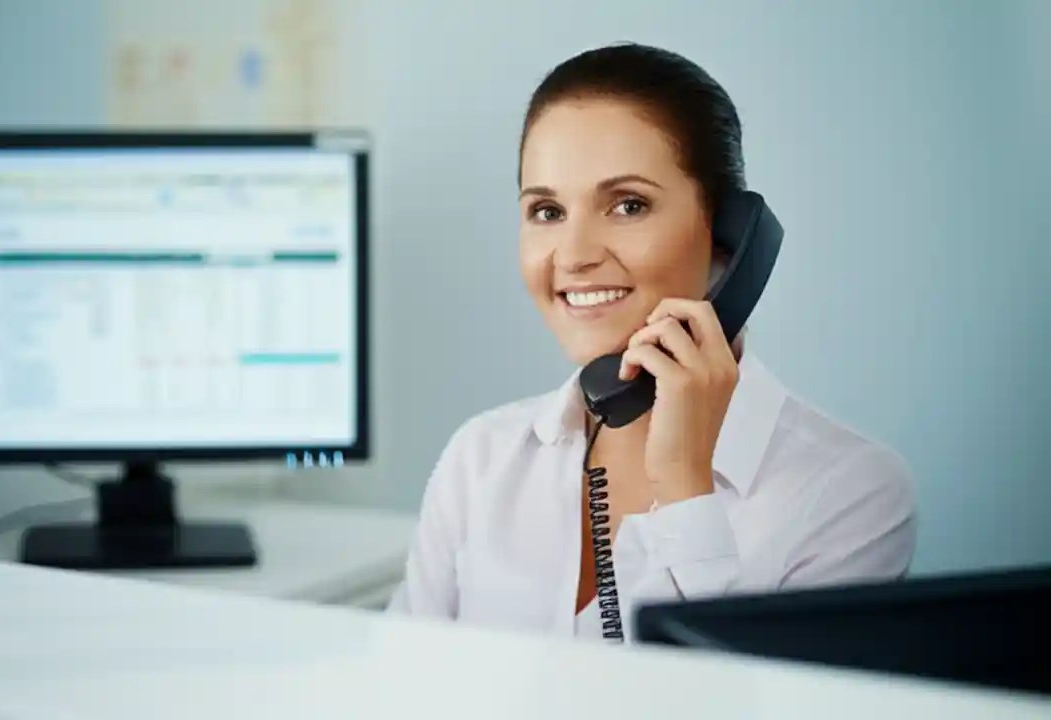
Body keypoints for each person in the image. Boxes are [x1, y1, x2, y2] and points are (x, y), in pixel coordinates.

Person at [387, 43, 916, 642]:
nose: (577, 254)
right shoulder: (479, 460)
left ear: (728, 237)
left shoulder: (849, 492)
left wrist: (687, 487)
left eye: (627, 205)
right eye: (546, 210)